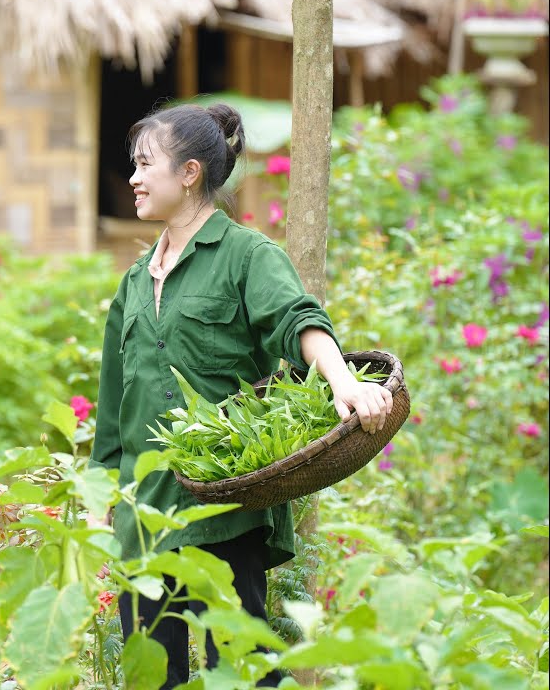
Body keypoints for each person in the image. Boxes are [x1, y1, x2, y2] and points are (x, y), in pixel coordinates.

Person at [90, 103, 392, 689]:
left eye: (145, 164)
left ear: (189, 173)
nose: (132, 178)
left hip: (225, 512)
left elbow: (299, 320)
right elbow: (111, 407)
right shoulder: (132, 280)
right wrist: (102, 494)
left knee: (245, 675)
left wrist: (344, 381)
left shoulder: (247, 257)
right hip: (144, 523)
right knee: (152, 680)